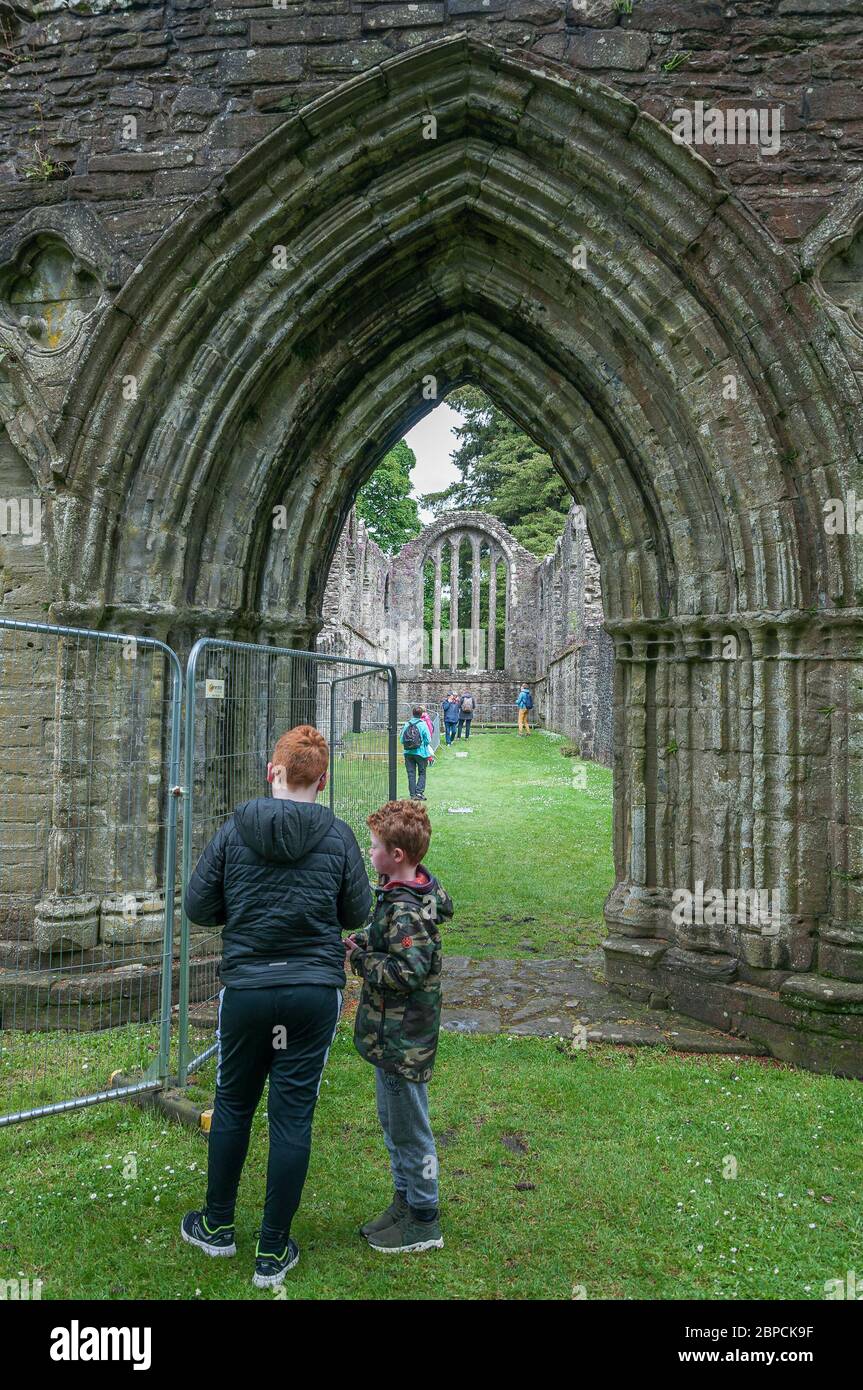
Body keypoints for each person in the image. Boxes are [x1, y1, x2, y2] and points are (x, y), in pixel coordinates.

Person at [181, 724, 372, 1288]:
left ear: (273, 771)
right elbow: (356, 911)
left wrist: (242, 909)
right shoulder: (337, 836)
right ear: (323, 778)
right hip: (309, 994)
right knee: (292, 1113)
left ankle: (217, 1227)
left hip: (249, 991)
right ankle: (271, 1249)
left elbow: (198, 905)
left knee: (234, 1103)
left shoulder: (235, 829)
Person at [344, 800, 453, 1253]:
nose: (370, 853)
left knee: (411, 1128)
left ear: (398, 856)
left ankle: (424, 1217)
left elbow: (406, 972)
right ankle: (404, 1201)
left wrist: (359, 960)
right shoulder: (397, 897)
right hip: (389, 1037)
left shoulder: (407, 911)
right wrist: (366, 940)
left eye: (374, 847)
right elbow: (390, 941)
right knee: (394, 1124)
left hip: (402, 1038)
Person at [400, 704, 433, 801]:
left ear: (413, 713)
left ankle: (412, 794)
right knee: (422, 772)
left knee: (411, 773)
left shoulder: (407, 724)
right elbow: (428, 739)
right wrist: (423, 744)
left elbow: (402, 739)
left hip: (408, 752)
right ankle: (419, 792)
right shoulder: (422, 724)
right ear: (421, 714)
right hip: (421, 752)